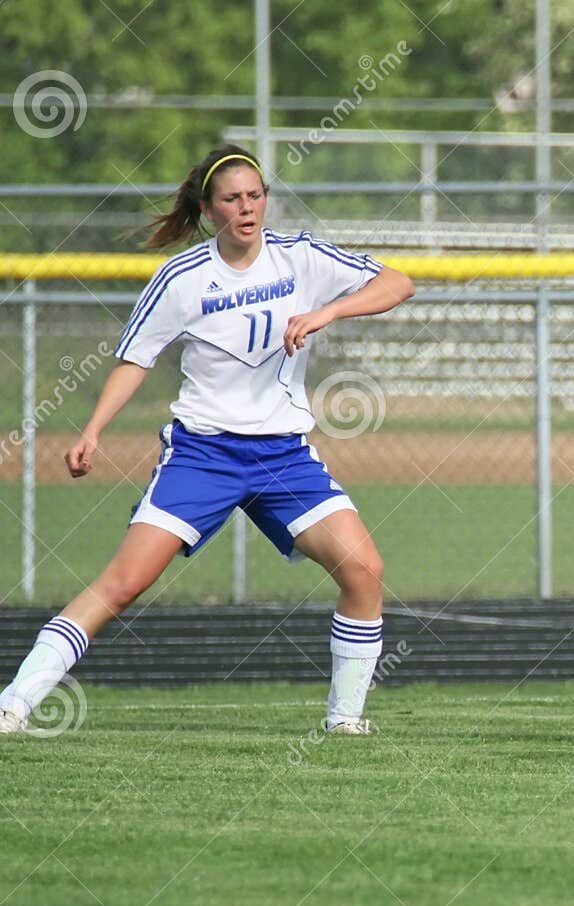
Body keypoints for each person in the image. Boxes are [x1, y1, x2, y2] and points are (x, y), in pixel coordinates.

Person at [0, 145, 415, 737]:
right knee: (123, 583)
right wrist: (92, 430)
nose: (247, 208)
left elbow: (399, 283)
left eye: (256, 195)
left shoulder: (299, 257)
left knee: (364, 569)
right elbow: (133, 360)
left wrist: (329, 313)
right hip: (204, 453)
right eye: (232, 198)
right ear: (207, 208)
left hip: (283, 455)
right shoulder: (182, 277)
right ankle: (13, 704)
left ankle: (343, 721)